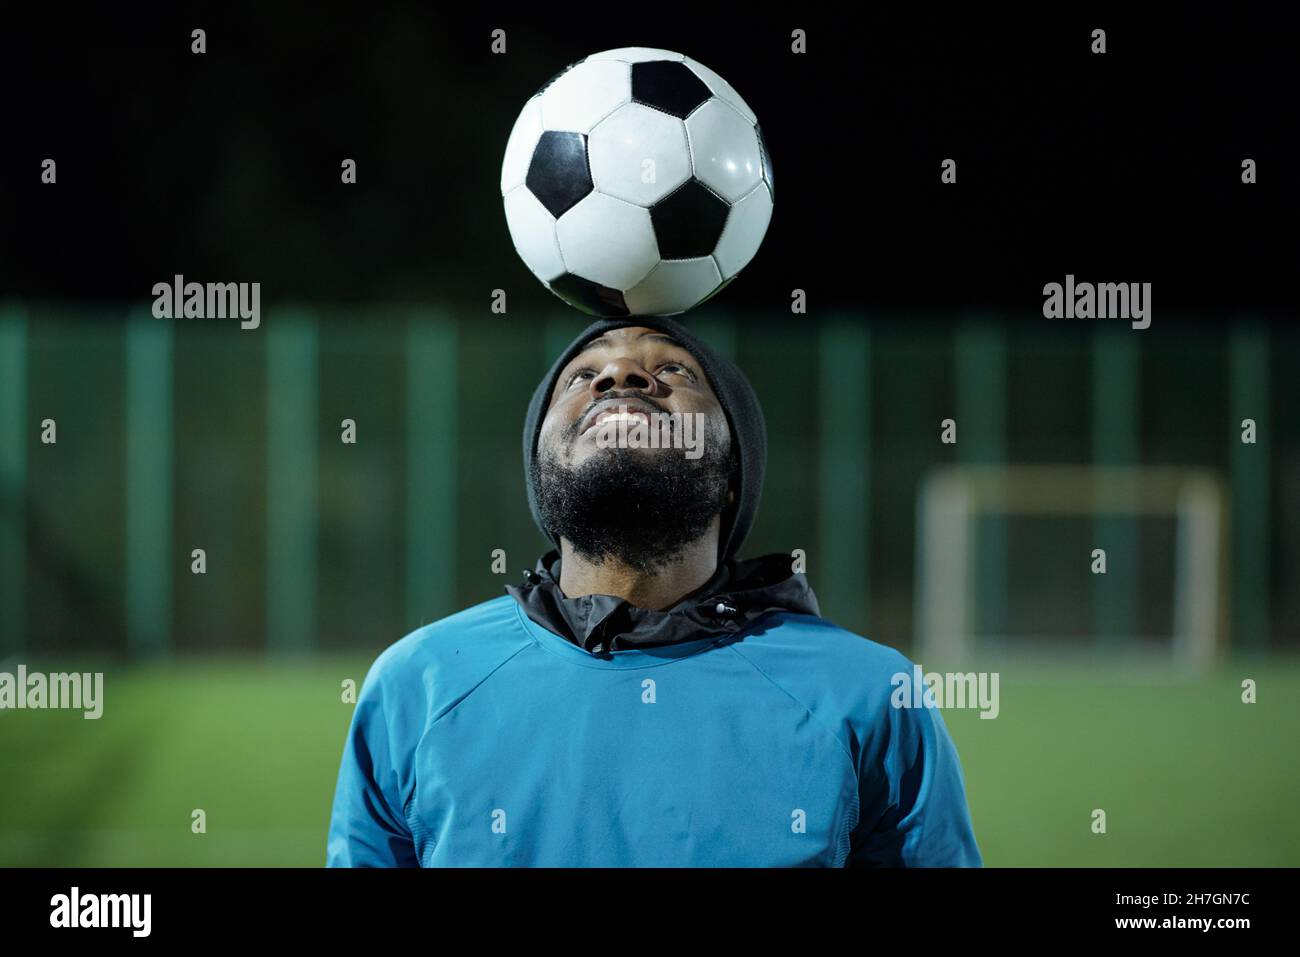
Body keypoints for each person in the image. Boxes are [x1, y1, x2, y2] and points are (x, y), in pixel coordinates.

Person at [326, 316, 982, 867]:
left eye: (674, 373)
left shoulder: (871, 695)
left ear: (734, 474)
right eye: (583, 376)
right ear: (540, 468)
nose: (621, 378)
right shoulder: (419, 683)